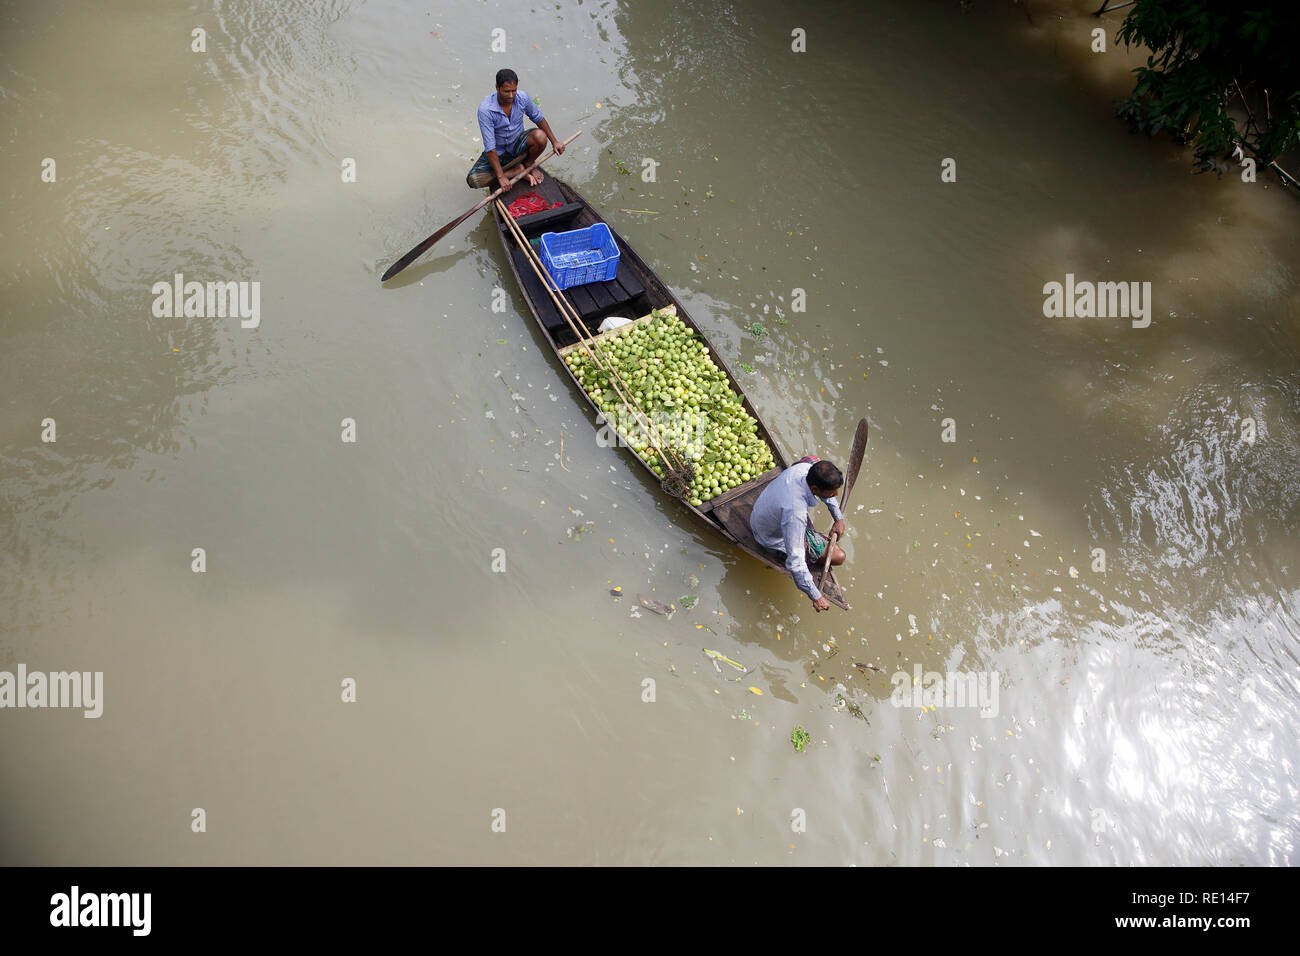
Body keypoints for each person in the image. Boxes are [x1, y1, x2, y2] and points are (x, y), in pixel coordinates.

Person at [749, 457, 847, 612]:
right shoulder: (796, 513)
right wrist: (816, 596)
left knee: (812, 457)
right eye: (832, 491)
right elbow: (795, 563)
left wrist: (838, 518)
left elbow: (828, 492)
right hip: (769, 538)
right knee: (838, 556)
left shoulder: (805, 468)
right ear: (814, 489)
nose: (836, 494)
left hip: (764, 513)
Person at [465, 69, 565, 191]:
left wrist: (555, 142)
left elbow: (538, 118)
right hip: (498, 153)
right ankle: (517, 171)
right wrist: (501, 177)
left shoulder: (522, 97)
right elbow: (490, 148)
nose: (511, 95)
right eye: (506, 91)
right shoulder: (486, 110)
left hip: (518, 146)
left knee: (540, 136)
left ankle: (528, 163)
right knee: (473, 180)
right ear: (497, 88)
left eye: (514, 91)